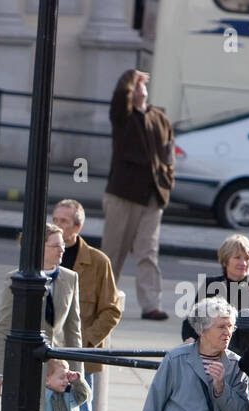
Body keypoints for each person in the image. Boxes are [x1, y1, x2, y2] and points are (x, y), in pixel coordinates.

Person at [51, 199, 120, 411]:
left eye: (64, 221)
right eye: (55, 218)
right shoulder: (45, 254)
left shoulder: (98, 262)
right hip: (50, 354)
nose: (58, 224)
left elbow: (111, 310)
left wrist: (82, 344)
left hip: (83, 356)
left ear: (78, 227)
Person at [101, 68, 174, 322]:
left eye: (142, 84)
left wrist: (168, 181)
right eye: (135, 85)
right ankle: (102, 299)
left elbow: (168, 154)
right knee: (113, 252)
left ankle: (151, 304)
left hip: (153, 195)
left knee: (148, 252)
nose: (140, 87)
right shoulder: (123, 116)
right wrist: (130, 76)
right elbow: (119, 98)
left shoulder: (159, 117)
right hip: (123, 193)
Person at [0, 224, 82, 400]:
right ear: (39, 248)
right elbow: (4, 326)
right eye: (55, 246)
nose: (62, 249)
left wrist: (78, 373)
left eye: (62, 244)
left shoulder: (70, 278)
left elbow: (73, 330)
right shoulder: (16, 278)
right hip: (26, 364)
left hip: (59, 371)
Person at [182, 234, 249, 342]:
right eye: (237, 257)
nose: (243, 263)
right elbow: (191, 323)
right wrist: (191, 341)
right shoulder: (210, 285)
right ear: (225, 261)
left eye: (247, 258)